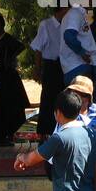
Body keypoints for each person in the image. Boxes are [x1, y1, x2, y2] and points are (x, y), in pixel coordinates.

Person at [0, 13, 27, 146]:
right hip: (2, 77)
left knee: (6, 106)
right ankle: (2, 135)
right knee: (0, 107)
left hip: (7, 79)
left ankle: (7, 135)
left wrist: (10, 59)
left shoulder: (7, 39)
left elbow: (20, 46)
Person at [30, 7, 67, 138]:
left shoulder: (68, 24)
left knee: (66, 99)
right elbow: (38, 48)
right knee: (48, 99)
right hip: (51, 65)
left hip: (65, 65)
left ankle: (64, 131)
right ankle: (45, 133)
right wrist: (37, 68)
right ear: (62, 9)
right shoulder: (46, 25)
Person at [59, 0, 96, 86]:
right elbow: (69, 37)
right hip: (77, 66)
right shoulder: (75, 13)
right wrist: (82, 53)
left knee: (85, 98)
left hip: (82, 65)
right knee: (82, 98)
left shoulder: (83, 13)